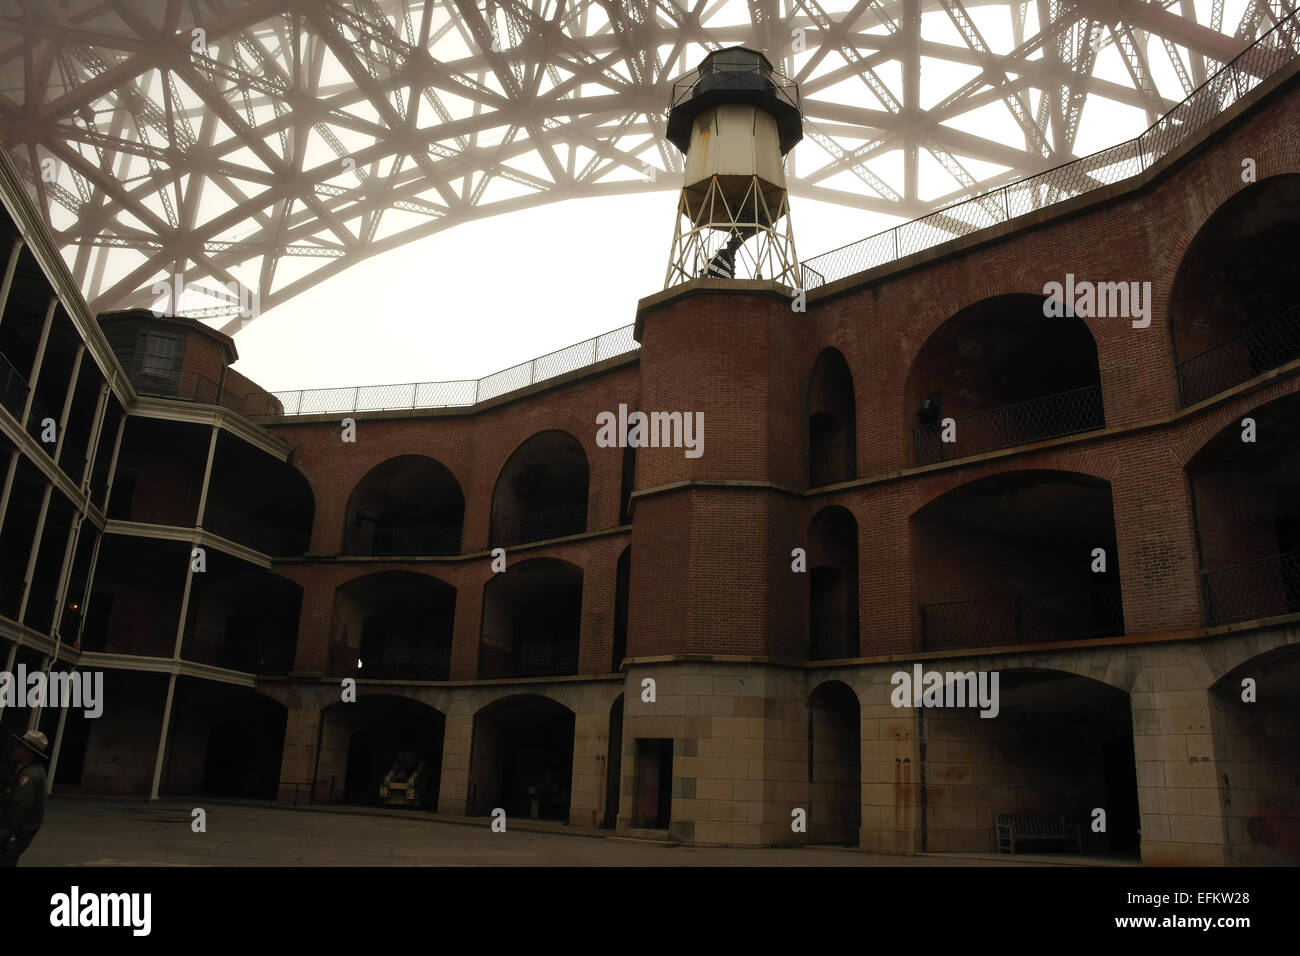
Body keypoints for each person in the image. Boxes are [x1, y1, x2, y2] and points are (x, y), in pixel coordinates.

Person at [1, 730, 48, 866]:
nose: (14, 748)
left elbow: (19, 809)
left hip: (14, 834)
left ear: (28, 751)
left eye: (19, 746)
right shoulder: (31, 770)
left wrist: (5, 834)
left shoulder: (29, 776)